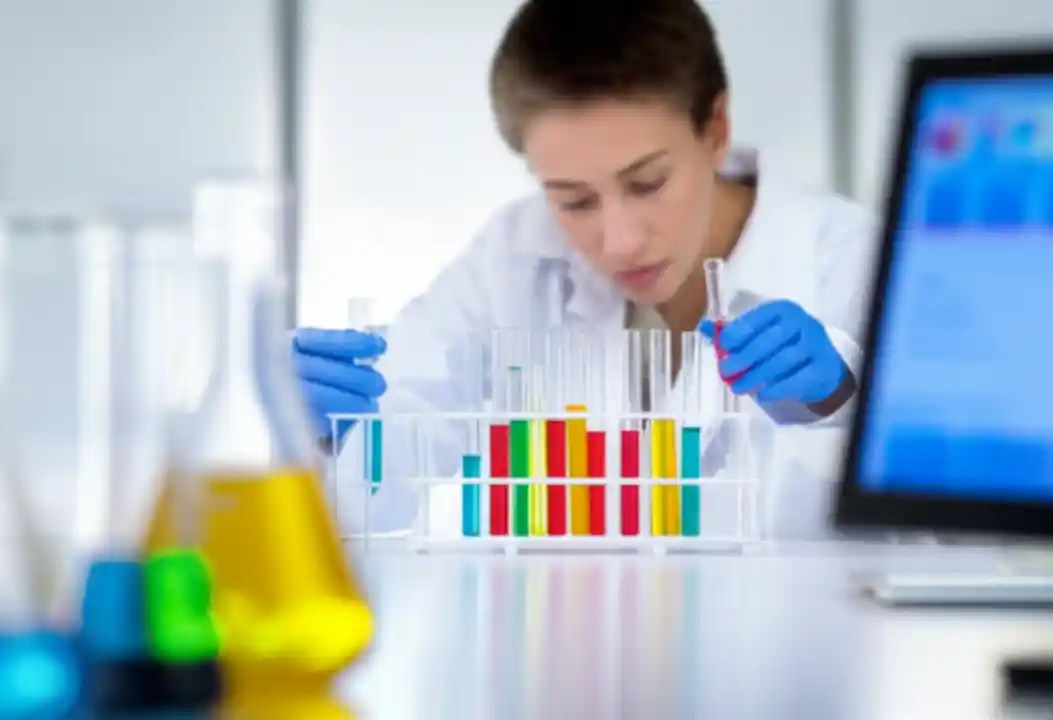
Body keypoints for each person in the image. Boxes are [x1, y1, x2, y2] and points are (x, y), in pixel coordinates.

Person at [292, 0, 877, 535]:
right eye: (574, 200)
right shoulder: (512, 257)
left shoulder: (852, 258)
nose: (620, 242)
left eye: (648, 183)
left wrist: (838, 395)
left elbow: (919, 514)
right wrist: (320, 427)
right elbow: (387, 464)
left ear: (716, 129)